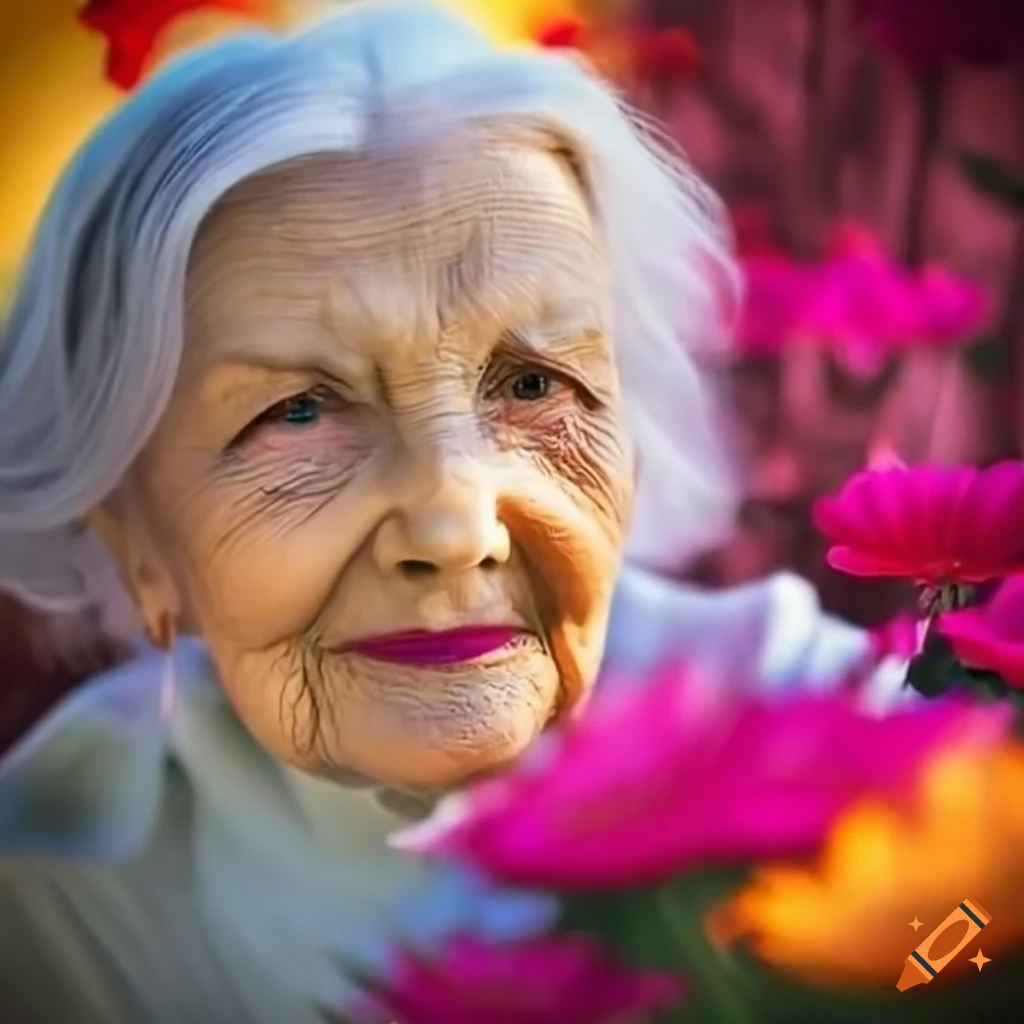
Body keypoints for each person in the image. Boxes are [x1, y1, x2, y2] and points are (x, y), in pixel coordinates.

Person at [0, 4, 907, 1020]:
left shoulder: (806, 710)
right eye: (297, 411)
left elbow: (982, 931)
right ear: (137, 539)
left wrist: (907, 987)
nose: (454, 527)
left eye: (530, 384)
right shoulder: (52, 895)